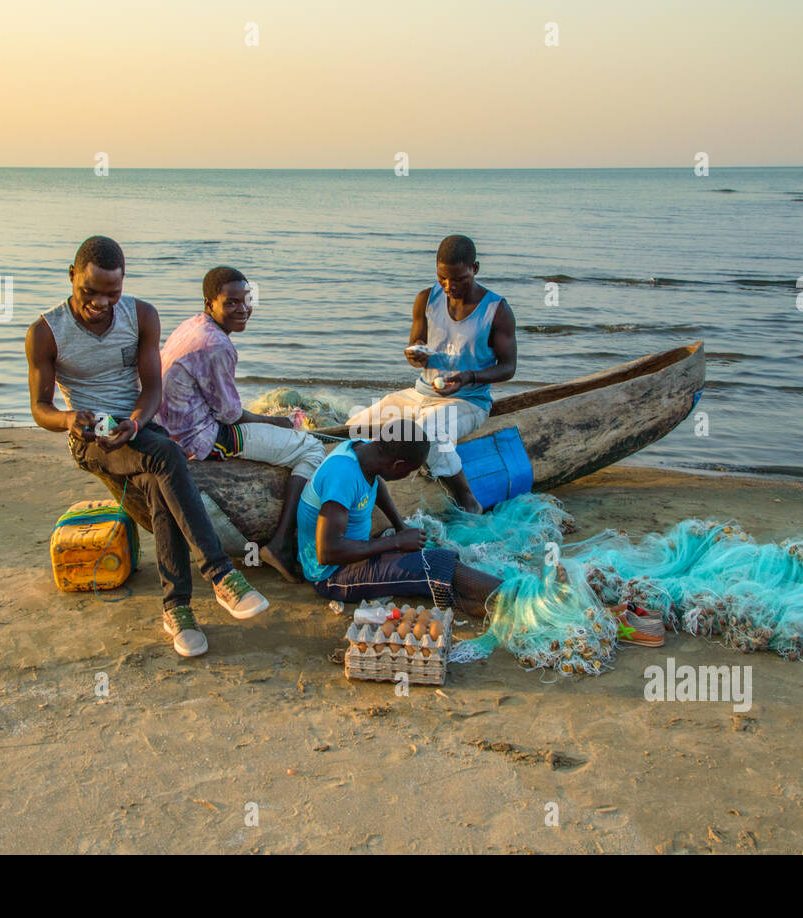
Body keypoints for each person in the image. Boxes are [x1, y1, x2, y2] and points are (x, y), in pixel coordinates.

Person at [25, 236, 269, 659]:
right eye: (89, 292)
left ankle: (177, 610)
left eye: (111, 293)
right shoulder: (46, 332)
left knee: (161, 485)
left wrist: (136, 421)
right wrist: (69, 419)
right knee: (167, 456)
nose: (101, 303)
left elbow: (152, 388)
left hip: (137, 423)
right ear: (71, 277)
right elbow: (40, 408)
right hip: (89, 430)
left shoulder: (141, 316)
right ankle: (221, 574)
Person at [157, 266, 326, 583]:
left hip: (175, 427)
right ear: (211, 304)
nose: (243, 309)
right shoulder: (218, 345)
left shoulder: (193, 326)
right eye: (231, 302)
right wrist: (277, 422)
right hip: (202, 437)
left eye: (246, 300)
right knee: (313, 449)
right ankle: (279, 544)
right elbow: (231, 415)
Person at [345, 235, 517, 514]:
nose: (450, 286)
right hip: (419, 394)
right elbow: (416, 347)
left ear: (475, 268)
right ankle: (370, 488)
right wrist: (416, 355)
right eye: (442, 278)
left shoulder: (497, 310)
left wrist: (468, 377)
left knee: (428, 434)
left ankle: (466, 499)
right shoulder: (426, 299)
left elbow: (508, 367)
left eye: (459, 278)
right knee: (356, 427)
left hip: (468, 401)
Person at [297, 418, 504, 616]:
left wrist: (399, 525)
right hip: (331, 575)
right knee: (432, 563)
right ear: (397, 465)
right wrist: (395, 542)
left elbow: (376, 484)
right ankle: (508, 596)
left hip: (354, 552)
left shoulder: (364, 451)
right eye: (408, 471)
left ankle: (485, 602)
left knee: (436, 562)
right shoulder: (343, 475)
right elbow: (328, 552)